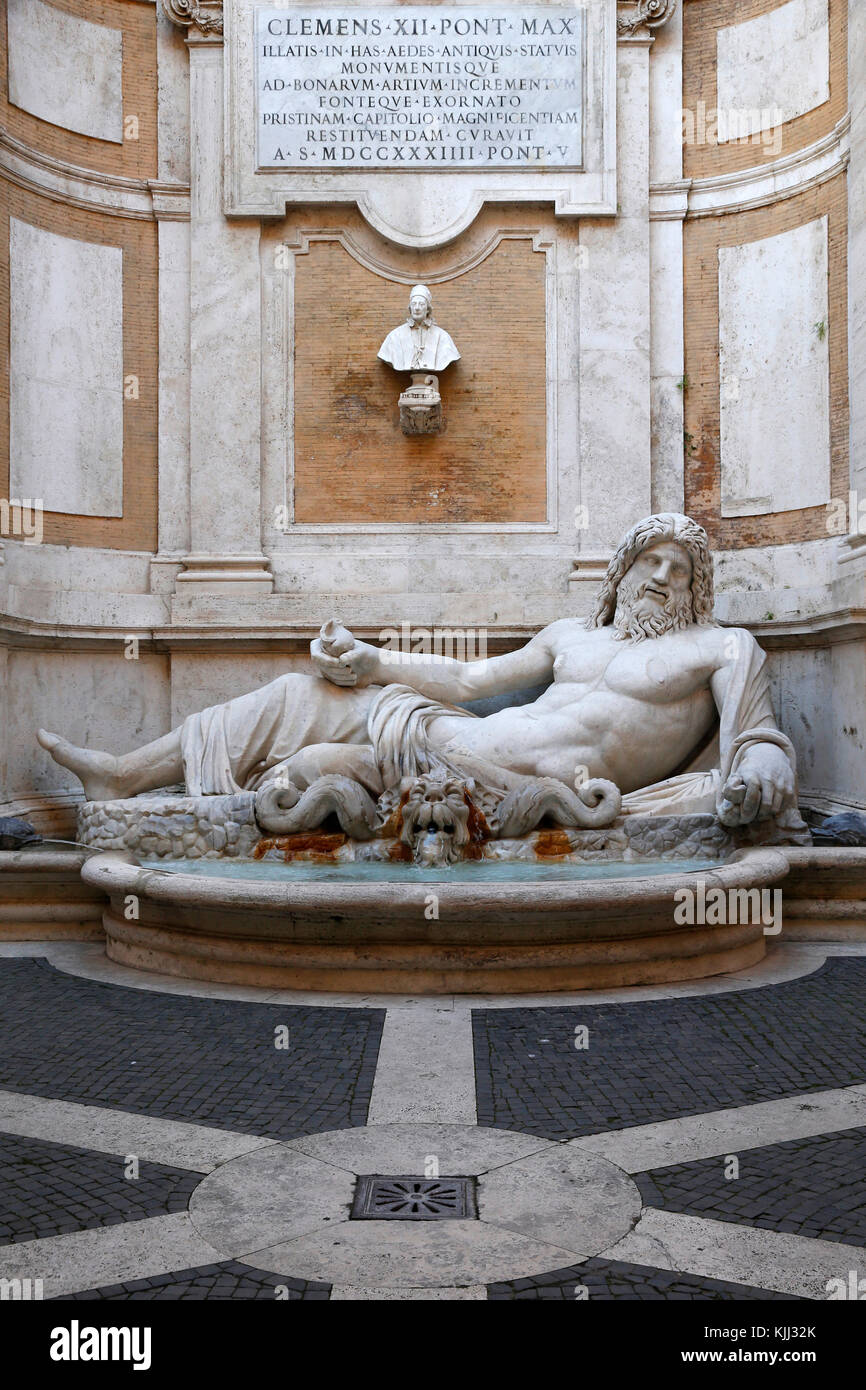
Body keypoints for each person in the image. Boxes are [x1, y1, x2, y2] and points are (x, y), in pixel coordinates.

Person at [37, 514, 798, 826]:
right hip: (455, 735)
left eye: (677, 567)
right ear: (624, 571)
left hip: (529, 788)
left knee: (312, 768)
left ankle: (199, 816)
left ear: (697, 585)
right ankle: (125, 778)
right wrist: (374, 659)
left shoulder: (723, 648)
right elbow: (470, 683)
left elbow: (754, 736)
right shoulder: (574, 635)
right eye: (647, 560)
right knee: (300, 691)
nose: (660, 576)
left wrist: (761, 764)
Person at [377, 284, 460, 373]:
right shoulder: (395, 336)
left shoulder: (442, 336)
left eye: (421, 304)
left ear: (428, 309)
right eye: (413, 304)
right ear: (410, 308)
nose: (417, 308)